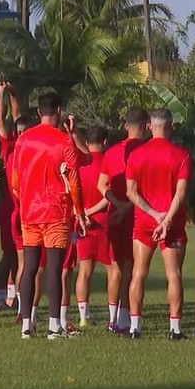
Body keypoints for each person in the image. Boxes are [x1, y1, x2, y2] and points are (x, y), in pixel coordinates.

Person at [11, 91, 87, 340]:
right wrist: (80, 212)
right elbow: (74, 180)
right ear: (59, 111)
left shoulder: (23, 140)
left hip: (30, 211)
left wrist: (25, 201)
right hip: (56, 210)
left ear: (38, 112)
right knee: (54, 268)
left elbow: (14, 181)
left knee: (30, 266)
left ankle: (26, 325)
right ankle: (55, 326)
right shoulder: (64, 141)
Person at [126, 108, 192, 339]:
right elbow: (181, 193)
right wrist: (166, 219)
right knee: (174, 275)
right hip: (171, 222)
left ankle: (135, 327)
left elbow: (131, 192)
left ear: (149, 127)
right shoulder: (181, 155)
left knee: (138, 273)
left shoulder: (136, 155)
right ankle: (175, 329)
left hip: (145, 222)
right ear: (170, 126)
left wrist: (154, 215)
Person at [100, 108, 147, 333]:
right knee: (132, 267)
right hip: (137, 214)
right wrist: (128, 206)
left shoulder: (111, 152)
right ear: (147, 126)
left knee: (115, 268)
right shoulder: (146, 151)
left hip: (115, 215)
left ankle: (112, 319)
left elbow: (102, 185)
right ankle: (125, 318)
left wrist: (117, 205)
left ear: (126, 126)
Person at [76, 126, 111, 328]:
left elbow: (72, 194)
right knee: (112, 270)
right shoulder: (107, 164)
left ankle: (83, 316)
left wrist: (81, 213)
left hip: (83, 223)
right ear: (105, 142)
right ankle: (114, 316)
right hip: (103, 221)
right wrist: (91, 212)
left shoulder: (81, 166)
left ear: (87, 143)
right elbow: (108, 197)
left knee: (84, 271)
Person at [0, 81, 21, 312]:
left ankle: (16, 297)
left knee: (22, 255)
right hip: (10, 207)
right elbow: (2, 118)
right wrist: (2, 92)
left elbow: (17, 114)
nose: (20, 134)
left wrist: (14, 93)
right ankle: (0, 296)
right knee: (9, 254)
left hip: (27, 207)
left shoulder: (30, 145)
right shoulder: (9, 146)